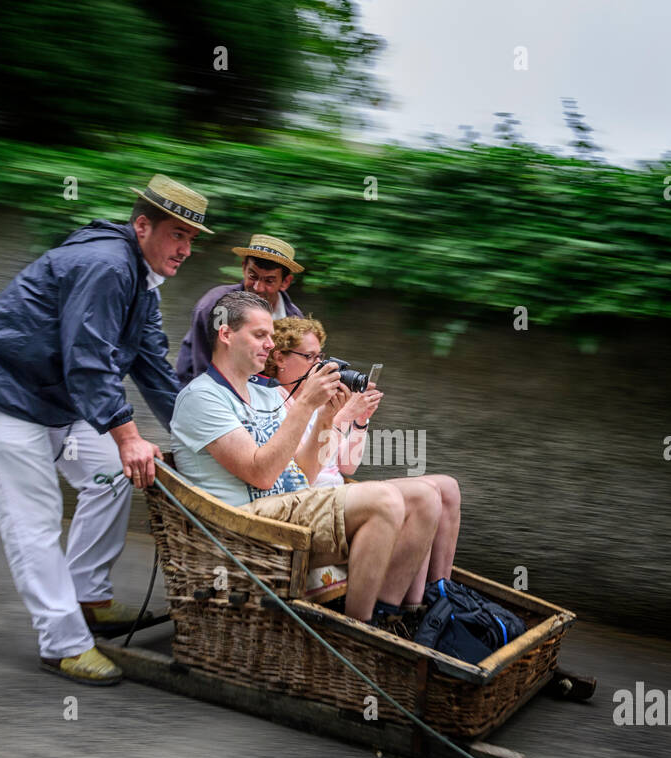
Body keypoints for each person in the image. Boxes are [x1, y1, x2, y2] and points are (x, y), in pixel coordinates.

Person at [0, 174, 212, 686]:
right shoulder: (106, 266)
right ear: (142, 226)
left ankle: (87, 596)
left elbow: (151, 367)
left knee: (112, 470)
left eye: (192, 239)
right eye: (177, 235)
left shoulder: (140, 280)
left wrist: (209, 434)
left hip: (52, 402)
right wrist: (128, 434)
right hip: (0, 399)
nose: (186, 250)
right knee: (34, 521)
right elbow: (88, 363)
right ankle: (63, 643)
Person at [169, 292, 442, 626]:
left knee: (425, 496)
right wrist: (304, 406)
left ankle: (389, 618)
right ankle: (358, 632)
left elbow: (302, 472)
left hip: (287, 507)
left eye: (271, 336)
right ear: (226, 335)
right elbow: (262, 475)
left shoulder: (264, 392)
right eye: (260, 335)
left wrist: (327, 418)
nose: (270, 345)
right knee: (384, 499)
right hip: (241, 525)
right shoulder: (202, 398)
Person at [266, 316, 462, 611]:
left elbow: (347, 466)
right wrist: (341, 416)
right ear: (280, 359)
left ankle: (438, 597)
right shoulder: (274, 404)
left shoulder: (318, 399)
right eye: (310, 357)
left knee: (447, 487)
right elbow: (301, 475)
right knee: (426, 497)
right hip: (314, 502)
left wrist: (359, 420)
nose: (320, 366)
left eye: (321, 357)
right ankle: (398, 612)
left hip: (338, 489)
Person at [175, 234, 304, 389]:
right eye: (252, 276)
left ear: (285, 282)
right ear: (243, 268)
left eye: (269, 281)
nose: (257, 288)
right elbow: (204, 369)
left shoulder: (295, 321)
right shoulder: (215, 308)